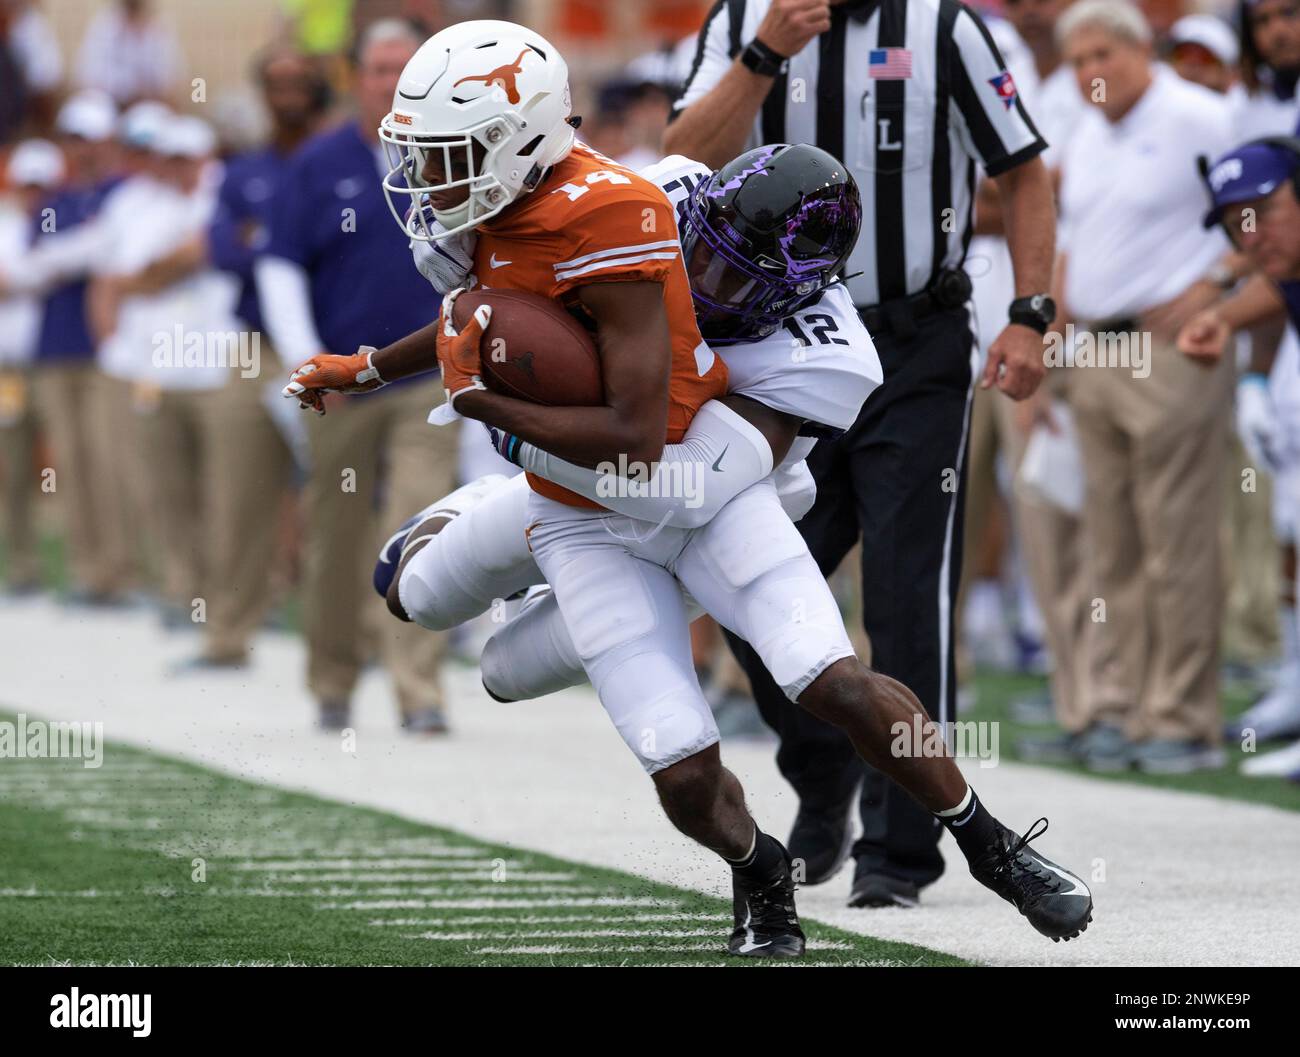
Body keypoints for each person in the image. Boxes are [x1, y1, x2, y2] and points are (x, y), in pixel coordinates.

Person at [285, 41, 1095, 952]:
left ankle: (990, 844)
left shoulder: (823, 351)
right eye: (701, 258)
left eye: (742, 281)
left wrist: (490, 413)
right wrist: (368, 367)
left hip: (712, 499)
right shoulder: (641, 200)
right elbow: (485, 309)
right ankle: (757, 859)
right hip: (581, 504)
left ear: (804, 292)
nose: (709, 285)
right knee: (440, 615)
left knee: (828, 677)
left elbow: (671, 473)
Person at [660, 0, 1057, 908]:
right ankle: (823, 761)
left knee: (906, 592)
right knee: (748, 580)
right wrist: (768, 52)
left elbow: (1025, 170)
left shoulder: (943, 25)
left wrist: (1031, 311)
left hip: (914, 340)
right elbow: (681, 151)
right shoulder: (743, 19)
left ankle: (899, 852)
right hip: (780, 349)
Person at [256, 19, 456, 733]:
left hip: (427, 378)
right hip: (344, 383)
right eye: (379, 67)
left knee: (422, 525)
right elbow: (277, 263)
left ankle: (418, 688)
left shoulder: (453, 151)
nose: (392, 79)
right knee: (336, 536)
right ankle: (334, 678)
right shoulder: (319, 161)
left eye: (406, 66)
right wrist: (311, 361)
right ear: (356, 77)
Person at [1055, 0, 1233, 773]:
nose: (1091, 73)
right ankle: (1124, 706)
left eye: (1103, 56)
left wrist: (1218, 286)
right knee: (1112, 546)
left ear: (1139, 49)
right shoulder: (1090, 130)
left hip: (1168, 350)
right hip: (1094, 348)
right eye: (1080, 61)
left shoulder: (1200, 114)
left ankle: (1183, 716)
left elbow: (1265, 209)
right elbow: (1069, 240)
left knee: (1178, 541)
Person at [1180, 134, 1300, 778]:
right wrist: (1225, 320)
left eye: (1263, 212)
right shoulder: (1282, 270)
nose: (1251, 237)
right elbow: (1282, 287)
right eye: (1235, 226)